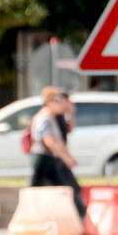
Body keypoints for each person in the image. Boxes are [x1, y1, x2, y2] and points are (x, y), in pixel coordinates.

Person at [29, 88, 87, 220]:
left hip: (50, 158)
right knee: (35, 188)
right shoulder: (44, 118)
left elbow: (59, 140)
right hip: (42, 158)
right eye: (58, 102)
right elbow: (49, 141)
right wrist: (65, 158)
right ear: (49, 102)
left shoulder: (52, 118)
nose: (60, 105)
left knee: (62, 186)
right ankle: (33, 216)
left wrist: (67, 156)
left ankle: (74, 216)